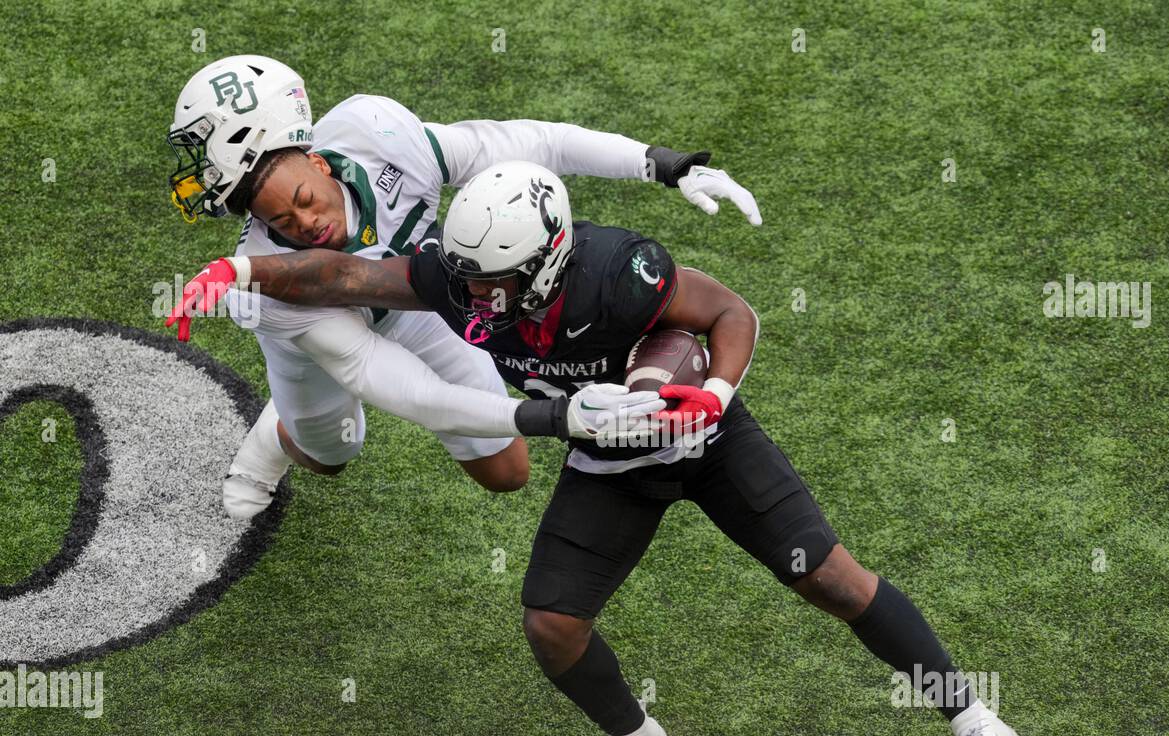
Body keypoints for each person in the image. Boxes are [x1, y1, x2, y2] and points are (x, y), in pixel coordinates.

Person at [170, 161, 1025, 736]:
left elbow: (728, 315)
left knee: (829, 577)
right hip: (607, 458)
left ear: (544, 264)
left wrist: (704, 394)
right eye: (463, 279)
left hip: (703, 441)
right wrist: (241, 273)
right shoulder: (461, 274)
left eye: (490, 284)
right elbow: (350, 277)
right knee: (551, 621)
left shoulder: (621, 269)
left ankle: (970, 714)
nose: (471, 299)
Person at [166, 55, 761, 516]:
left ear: (318, 160)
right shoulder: (261, 282)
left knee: (507, 473)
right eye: (280, 221)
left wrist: (660, 162)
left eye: (304, 199)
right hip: (330, 345)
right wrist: (556, 416)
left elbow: (540, 144)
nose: (305, 224)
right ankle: (276, 437)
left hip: (426, 302)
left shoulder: (374, 134)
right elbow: (400, 388)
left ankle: (287, 426)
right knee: (331, 454)